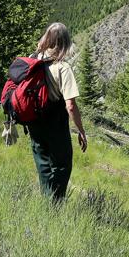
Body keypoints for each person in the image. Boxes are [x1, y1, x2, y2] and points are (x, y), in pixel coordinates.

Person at [28, 22, 87, 200]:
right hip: (55, 121)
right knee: (62, 165)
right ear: (65, 43)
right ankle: (55, 204)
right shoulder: (63, 67)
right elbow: (70, 105)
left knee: (43, 163)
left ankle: (47, 201)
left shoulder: (33, 59)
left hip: (34, 120)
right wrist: (81, 130)